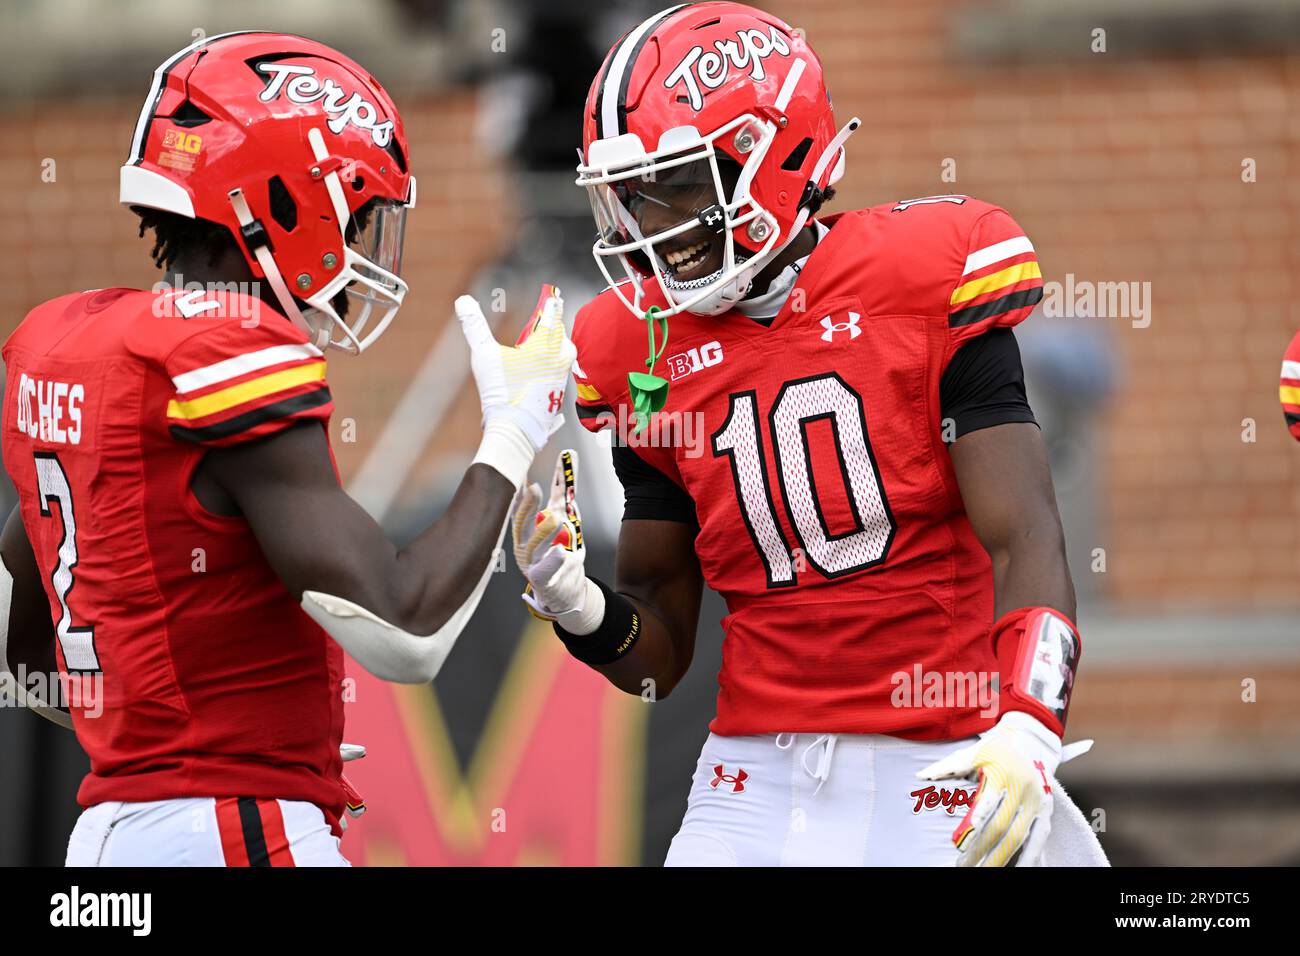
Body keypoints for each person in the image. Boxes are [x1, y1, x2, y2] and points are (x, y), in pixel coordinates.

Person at [512, 2, 1092, 866]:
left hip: (946, 753)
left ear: (770, 158)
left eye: (675, 187)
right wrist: (580, 607)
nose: (650, 232)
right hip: (752, 774)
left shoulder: (923, 276)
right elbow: (659, 656)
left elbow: (1029, 536)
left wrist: (1030, 722)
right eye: (629, 200)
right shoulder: (639, 343)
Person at [0, 32, 574, 866]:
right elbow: (408, 632)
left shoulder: (75, 336)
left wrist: (239, 740)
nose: (363, 249)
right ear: (285, 201)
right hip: (234, 833)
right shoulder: (226, 348)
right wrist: (514, 431)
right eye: (359, 216)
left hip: (107, 841)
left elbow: (20, 656)